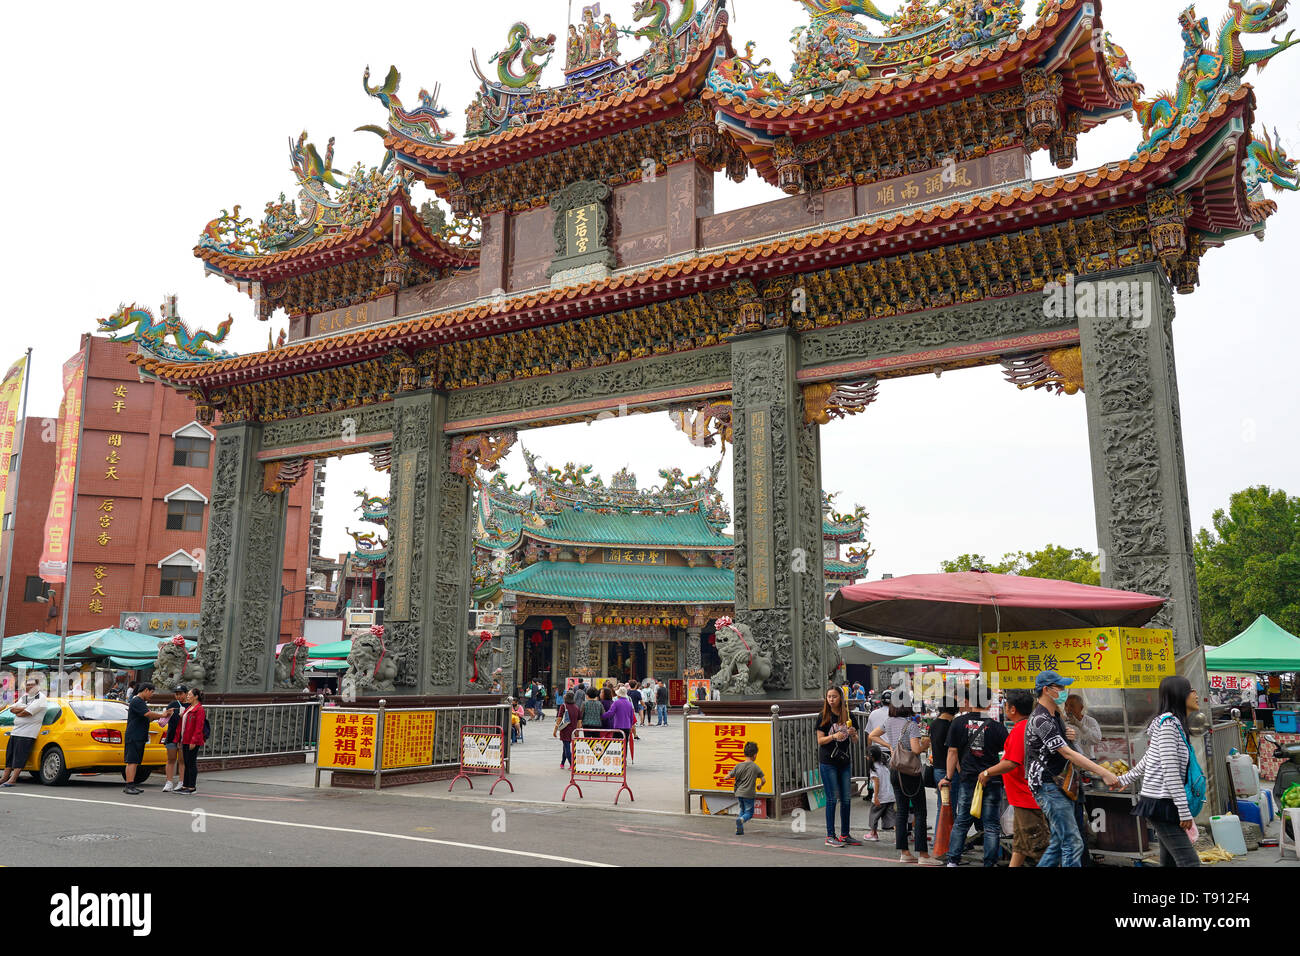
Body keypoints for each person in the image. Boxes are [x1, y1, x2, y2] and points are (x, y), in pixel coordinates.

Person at [1025, 670, 1119, 866]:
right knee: (1073, 842)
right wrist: (1103, 772)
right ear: (1046, 690)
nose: (1063, 691)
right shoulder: (1041, 719)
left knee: (1060, 842)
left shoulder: (1054, 716)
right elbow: (1066, 753)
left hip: (1058, 784)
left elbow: (1068, 749)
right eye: (1059, 687)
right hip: (1048, 785)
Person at [1111, 675, 1203, 867]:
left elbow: (1149, 759)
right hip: (1162, 803)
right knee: (1189, 862)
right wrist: (1184, 811)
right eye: (1190, 690)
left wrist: (1124, 779)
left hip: (1163, 801)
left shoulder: (1173, 724)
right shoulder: (1168, 724)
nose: (1195, 694)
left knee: (1169, 861)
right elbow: (1170, 771)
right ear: (1179, 695)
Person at [943, 676, 1009, 866]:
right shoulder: (998, 727)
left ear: (971, 701)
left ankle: (953, 860)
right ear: (989, 703)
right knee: (991, 825)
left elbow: (952, 752)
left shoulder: (957, 723)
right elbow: (1006, 755)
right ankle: (989, 863)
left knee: (962, 821)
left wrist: (948, 777)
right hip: (992, 779)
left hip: (967, 778)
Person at [870, 692, 941, 863]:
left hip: (895, 770)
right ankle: (923, 854)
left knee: (901, 811)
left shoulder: (889, 721)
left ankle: (904, 853)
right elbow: (915, 750)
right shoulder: (911, 725)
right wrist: (925, 744)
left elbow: (872, 735)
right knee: (920, 811)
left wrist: (891, 746)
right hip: (910, 772)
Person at [978, 689, 1047, 866]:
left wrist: (987, 772)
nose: (1004, 709)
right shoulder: (1027, 726)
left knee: (1041, 848)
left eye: (1006, 706)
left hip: (1027, 799)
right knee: (1020, 845)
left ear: (1013, 709)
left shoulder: (1020, 730)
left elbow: (1011, 762)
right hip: (1023, 797)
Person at [815, 686, 861, 848]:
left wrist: (853, 733)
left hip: (844, 761)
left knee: (846, 799)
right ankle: (830, 835)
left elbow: (855, 740)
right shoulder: (823, 716)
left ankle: (845, 834)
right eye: (829, 696)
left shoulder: (848, 715)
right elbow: (820, 741)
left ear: (840, 698)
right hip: (828, 761)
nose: (831, 699)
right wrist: (834, 736)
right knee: (832, 799)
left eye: (834, 696)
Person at [0, 677, 48, 787]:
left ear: (38, 686)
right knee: (10, 756)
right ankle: (4, 778)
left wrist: (21, 710)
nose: (30, 687)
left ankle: (12, 779)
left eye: (32, 685)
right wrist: (22, 708)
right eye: (28, 685)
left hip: (28, 732)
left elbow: (26, 713)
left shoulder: (41, 698)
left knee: (19, 757)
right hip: (16, 731)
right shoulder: (26, 697)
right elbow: (12, 709)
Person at [123, 682, 167, 795]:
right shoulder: (137, 701)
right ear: (146, 690)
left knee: (135, 761)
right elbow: (148, 714)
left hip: (139, 735)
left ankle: (131, 784)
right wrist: (163, 715)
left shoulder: (141, 702)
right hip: (134, 735)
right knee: (132, 761)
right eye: (151, 692)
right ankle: (129, 785)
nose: (151, 695)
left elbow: (147, 718)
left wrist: (158, 718)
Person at [726, 741, 766, 836]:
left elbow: (728, 776)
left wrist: (726, 777)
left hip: (739, 793)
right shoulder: (755, 767)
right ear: (755, 755)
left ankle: (739, 829)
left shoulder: (738, 765)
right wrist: (760, 785)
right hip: (749, 794)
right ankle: (741, 820)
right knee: (749, 813)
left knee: (742, 810)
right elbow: (763, 780)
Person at [177, 687, 207, 794]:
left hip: (192, 740)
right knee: (186, 762)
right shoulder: (189, 707)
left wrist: (194, 741)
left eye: (189, 695)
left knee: (191, 763)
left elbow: (199, 727)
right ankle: (185, 785)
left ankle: (191, 787)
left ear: (196, 697)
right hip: (185, 739)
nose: (188, 697)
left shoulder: (199, 709)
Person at [864, 744, 895, 841]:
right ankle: (899, 837)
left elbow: (876, 783)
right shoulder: (885, 766)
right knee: (893, 818)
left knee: (874, 815)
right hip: (890, 796)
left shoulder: (873, 768)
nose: (866, 757)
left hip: (880, 797)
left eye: (867, 756)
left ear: (871, 757)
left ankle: (873, 834)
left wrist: (876, 797)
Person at [928, 704, 957, 789]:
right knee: (951, 799)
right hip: (950, 770)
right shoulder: (951, 726)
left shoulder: (933, 724)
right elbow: (953, 751)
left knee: (942, 798)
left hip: (937, 767)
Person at [557, 692, 581, 769]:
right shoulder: (576, 707)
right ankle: (562, 763)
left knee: (566, 747)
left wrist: (555, 730)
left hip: (565, 729)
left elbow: (559, 718)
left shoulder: (563, 706)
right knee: (565, 746)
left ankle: (572, 764)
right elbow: (579, 721)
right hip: (573, 730)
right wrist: (577, 731)